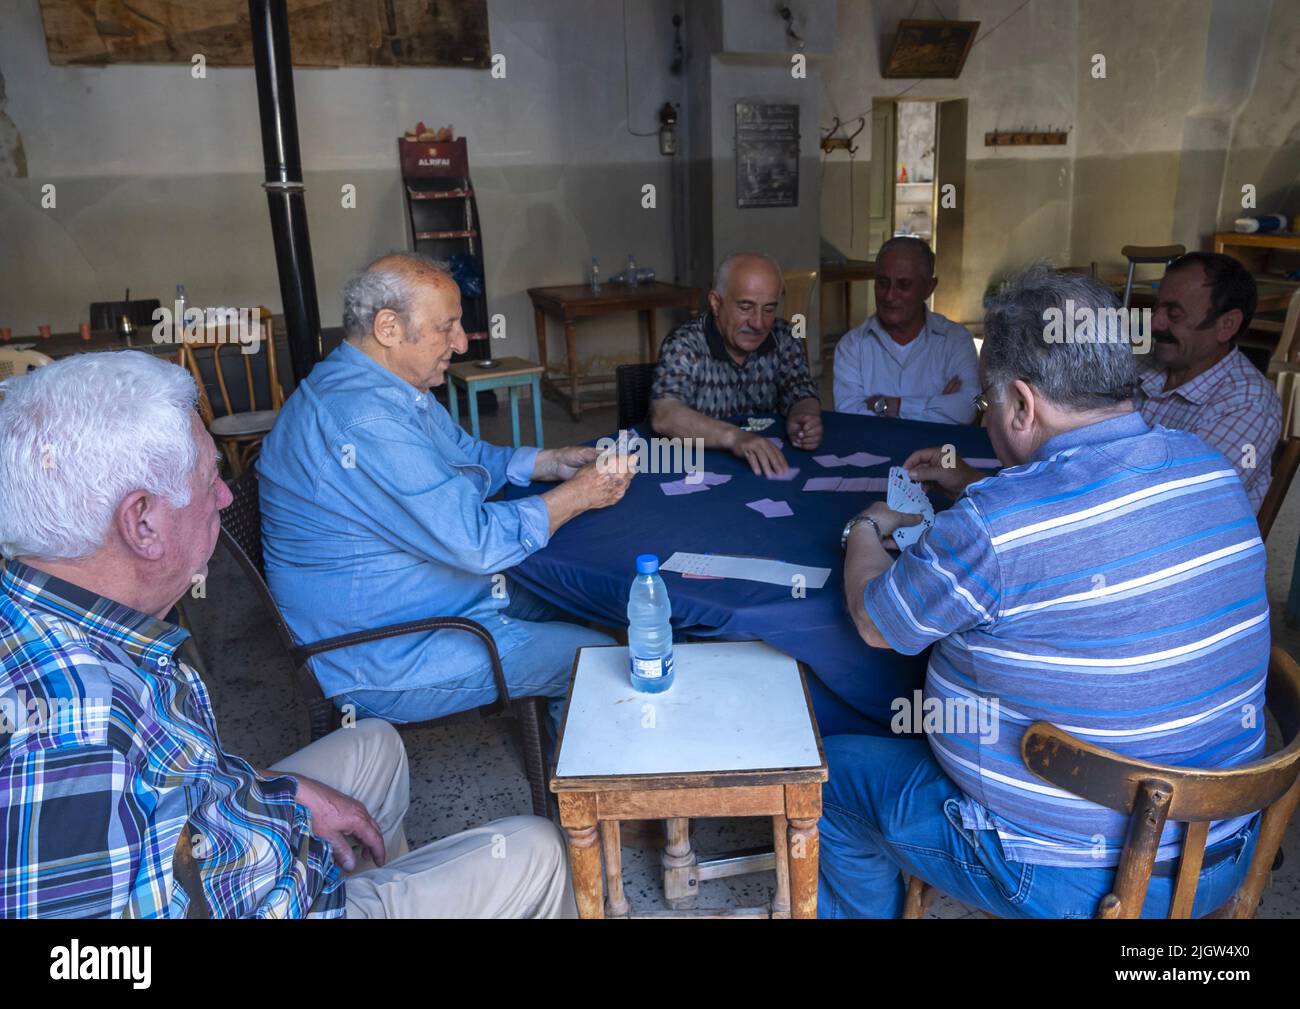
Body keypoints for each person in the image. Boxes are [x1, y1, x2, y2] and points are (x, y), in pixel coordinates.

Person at [0, 351, 574, 918]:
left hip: (222, 835)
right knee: (538, 851)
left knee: (375, 745)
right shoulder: (70, 739)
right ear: (142, 522)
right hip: (267, 900)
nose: (225, 495)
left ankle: (374, 885)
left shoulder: (61, 608)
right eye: (209, 479)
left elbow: (173, 775)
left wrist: (277, 792)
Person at [819, 265, 1266, 918]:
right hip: (1217, 852)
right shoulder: (1211, 470)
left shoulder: (998, 522)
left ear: (1022, 405)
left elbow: (875, 622)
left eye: (988, 404)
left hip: (1071, 874)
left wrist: (864, 529)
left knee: (829, 780)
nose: (988, 417)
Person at [257, 253, 633, 728]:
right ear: (388, 327)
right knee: (604, 659)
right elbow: (477, 544)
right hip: (386, 653)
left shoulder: (384, 384)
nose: (460, 342)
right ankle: (583, 794)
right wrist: (582, 494)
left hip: (427, 598)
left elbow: (465, 456)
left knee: (585, 596)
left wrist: (549, 462)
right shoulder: (366, 419)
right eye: (447, 327)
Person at [650, 252, 822, 476]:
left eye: (769, 309)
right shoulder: (685, 344)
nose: (758, 323)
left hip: (765, 471)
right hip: (695, 472)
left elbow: (801, 392)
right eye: (745, 307)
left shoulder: (785, 338)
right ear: (715, 302)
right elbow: (664, 415)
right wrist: (735, 437)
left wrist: (805, 418)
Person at [1139, 251, 1281, 511]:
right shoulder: (1141, 362)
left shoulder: (1248, 403)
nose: (1154, 322)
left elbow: (1185, 504)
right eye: (1157, 307)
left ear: (1227, 324)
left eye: (1174, 313)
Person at [832, 237, 979, 425]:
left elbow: (968, 408)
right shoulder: (851, 347)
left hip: (940, 452)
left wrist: (889, 405)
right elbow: (850, 419)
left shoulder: (955, 340)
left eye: (904, 285)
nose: (890, 295)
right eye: (883, 283)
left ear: (929, 288)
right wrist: (938, 406)